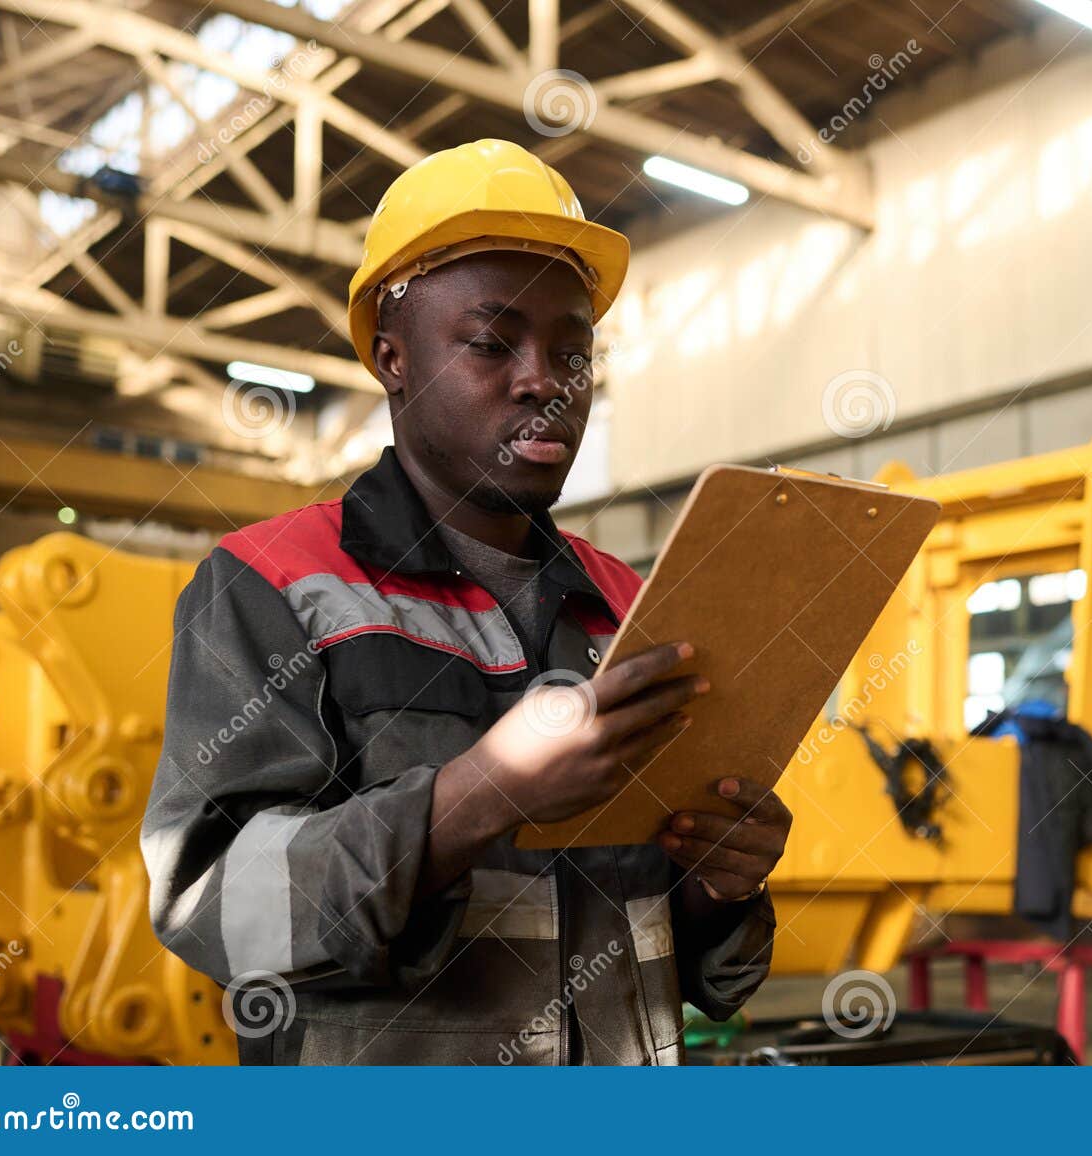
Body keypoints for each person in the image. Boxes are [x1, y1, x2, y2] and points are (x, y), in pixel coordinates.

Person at [141, 139, 789, 1065]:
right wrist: (480, 795)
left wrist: (716, 883)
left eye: (574, 351)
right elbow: (214, 908)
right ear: (391, 358)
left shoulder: (630, 607)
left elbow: (688, 967)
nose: (544, 381)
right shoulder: (273, 581)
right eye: (492, 343)